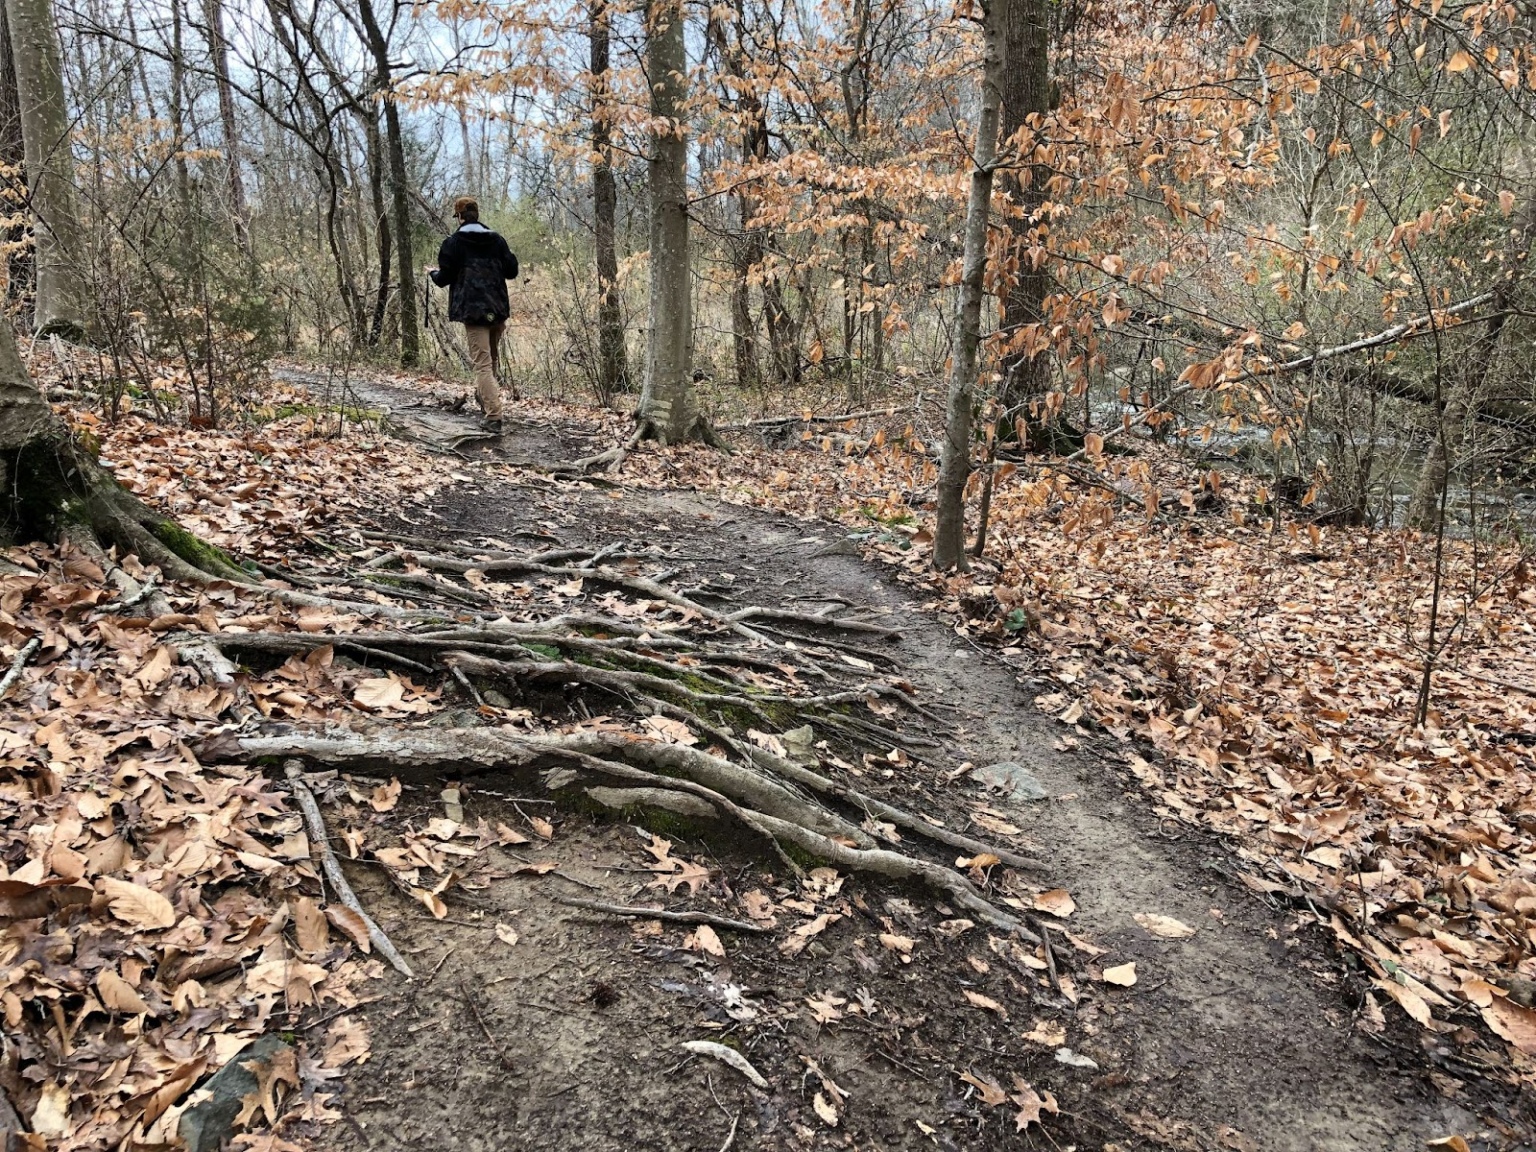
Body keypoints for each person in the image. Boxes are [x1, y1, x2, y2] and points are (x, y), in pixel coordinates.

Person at [426, 197, 520, 433]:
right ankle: (485, 400)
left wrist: (433, 274)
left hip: (473, 311)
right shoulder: (497, 240)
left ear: (459, 216)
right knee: (491, 361)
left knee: (483, 365)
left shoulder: (453, 243)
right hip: (497, 310)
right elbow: (512, 271)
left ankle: (493, 416)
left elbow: (444, 278)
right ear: (477, 214)